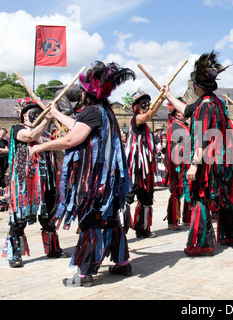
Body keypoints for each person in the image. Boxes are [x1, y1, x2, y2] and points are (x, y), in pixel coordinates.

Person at [30, 61, 136, 286]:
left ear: (87, 92)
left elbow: (72, 138)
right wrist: (57, 114)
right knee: (109, 220)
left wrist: (40, 146)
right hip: (105, 183)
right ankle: (123, 263)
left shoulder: (91, 111)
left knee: (90, 222)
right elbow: (78, 126)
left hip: (94, 181)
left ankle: (84, 274)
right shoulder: (104, 111)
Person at [162, 50, 233, 255]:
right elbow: (187, 110)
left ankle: (202, 244)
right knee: (223, 197)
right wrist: (168, 95)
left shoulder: (205, 106)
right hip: (223, 161)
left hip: (208, 162)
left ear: (197, 86)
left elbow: (203, 136)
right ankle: (231, 236)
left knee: (200, 197)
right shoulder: (214, 102)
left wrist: (195, 164)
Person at [3, 101, 69, 268]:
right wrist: (46, 120)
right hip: (25, 183)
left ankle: (53, 249)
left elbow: (56, 152)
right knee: (19, 219)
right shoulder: (18, 129)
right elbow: (30, 137)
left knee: (49, 218)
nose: (36, 115)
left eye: (38, 113)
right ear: (24, 115)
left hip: (47, 182)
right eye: (33, 113)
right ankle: (15, 254)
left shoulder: (45, 135)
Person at [124, 89, 162, 238]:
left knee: (146, 198)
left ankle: (142, 228)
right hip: (135, 167)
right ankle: (121, 229)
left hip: (146, 168)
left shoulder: (147, 127)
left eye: (148, 103)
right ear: (136, 107)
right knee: (129, 195)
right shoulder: (136, 120)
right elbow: (149, 115)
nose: (146, 106)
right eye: (143, 104)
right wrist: (161, 101)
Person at [166, 97, 190, 231]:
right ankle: (172, 220)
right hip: (177, 164)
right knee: (176, 189)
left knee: (187, 188)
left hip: (185, 162)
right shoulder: (174, 124)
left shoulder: (184, 125)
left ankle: (187, 218)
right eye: (181, 110)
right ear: (176, 113)